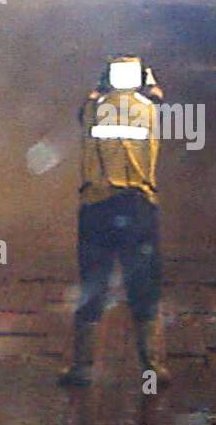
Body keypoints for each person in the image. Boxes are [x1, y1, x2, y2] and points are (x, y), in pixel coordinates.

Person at [59, 55, 169, 387]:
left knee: (93, 284)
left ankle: (82, 368)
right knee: (144, 286)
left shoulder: (93, 110)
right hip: (138, 207)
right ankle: (152, 367)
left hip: (96, 207)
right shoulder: (151, 110)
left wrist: (99, 85)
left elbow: (86, 106)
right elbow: (158, 97)